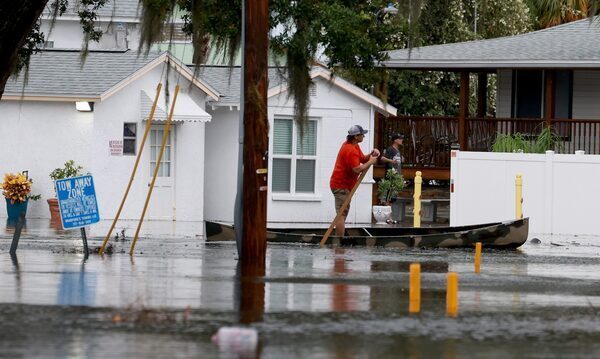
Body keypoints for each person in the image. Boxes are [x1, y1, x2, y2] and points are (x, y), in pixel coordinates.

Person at [330, 125, 380, 237]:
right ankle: (340, 241)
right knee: (341, 214)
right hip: (340, 185)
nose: (364, 136)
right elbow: (356, 169)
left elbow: (362, 159)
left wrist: (371, 154)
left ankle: (340, 238)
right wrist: (371, 162)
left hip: (345, 185)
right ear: (356, 136)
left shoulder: (354, 146)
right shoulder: (349, 149)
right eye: (362, 134)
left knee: (343, 212)